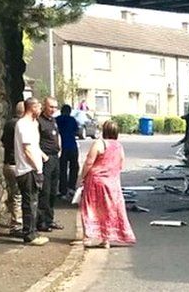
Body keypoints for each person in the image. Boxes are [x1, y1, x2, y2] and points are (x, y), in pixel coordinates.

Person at [78, 120, 136, 248]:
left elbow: (89, 162)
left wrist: (82, 177)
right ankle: (106, 239)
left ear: (104, 131)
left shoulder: (99, 144)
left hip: (96, 181)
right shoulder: (119, 146)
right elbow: (121, 164)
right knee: (108, 210)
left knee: (91, 209)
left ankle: (88, 237)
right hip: (113, 183)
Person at [15, 98, 49, 246]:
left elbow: (34, 146)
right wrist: (37, 167)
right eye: (39, 107)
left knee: (33, 202)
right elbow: (27, 149)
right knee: (30, 203)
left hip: (32, 168)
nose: (40, 110)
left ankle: (32, 231)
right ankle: (30, 235)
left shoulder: (32, 124)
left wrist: (42, 155)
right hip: (28, 169)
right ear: (32, 107)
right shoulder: (23, 125)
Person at [37, 96, 63, 232]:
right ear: (44, 106)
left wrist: (59, 150)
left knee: (53, 191)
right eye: (50, 107)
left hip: (55, 158)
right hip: (45, 159)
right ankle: (42, 222)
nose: (53, 109)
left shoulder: (53, 120)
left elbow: (57, 136)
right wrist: (44, 156)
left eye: (55, 107)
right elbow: (35, 141)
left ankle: (50, 219)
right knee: (45, 192)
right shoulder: (39, 121)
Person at [1, 101, 25, 235]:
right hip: (17, 164)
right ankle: (16, 225)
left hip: (7, 163)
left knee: (13, 194)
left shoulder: (9, 124)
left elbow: (4, 141)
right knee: (18, 196)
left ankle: (14, 221)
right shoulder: (21, 125)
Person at [56, 104, 80, 198]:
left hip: (62, 146)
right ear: (69, 111)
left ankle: (63, 190)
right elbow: (76, 131)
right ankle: (71, 187)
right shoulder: (72, 120)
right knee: (74, 167)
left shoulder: (57, 119)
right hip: (72, 146)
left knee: (62, 168)